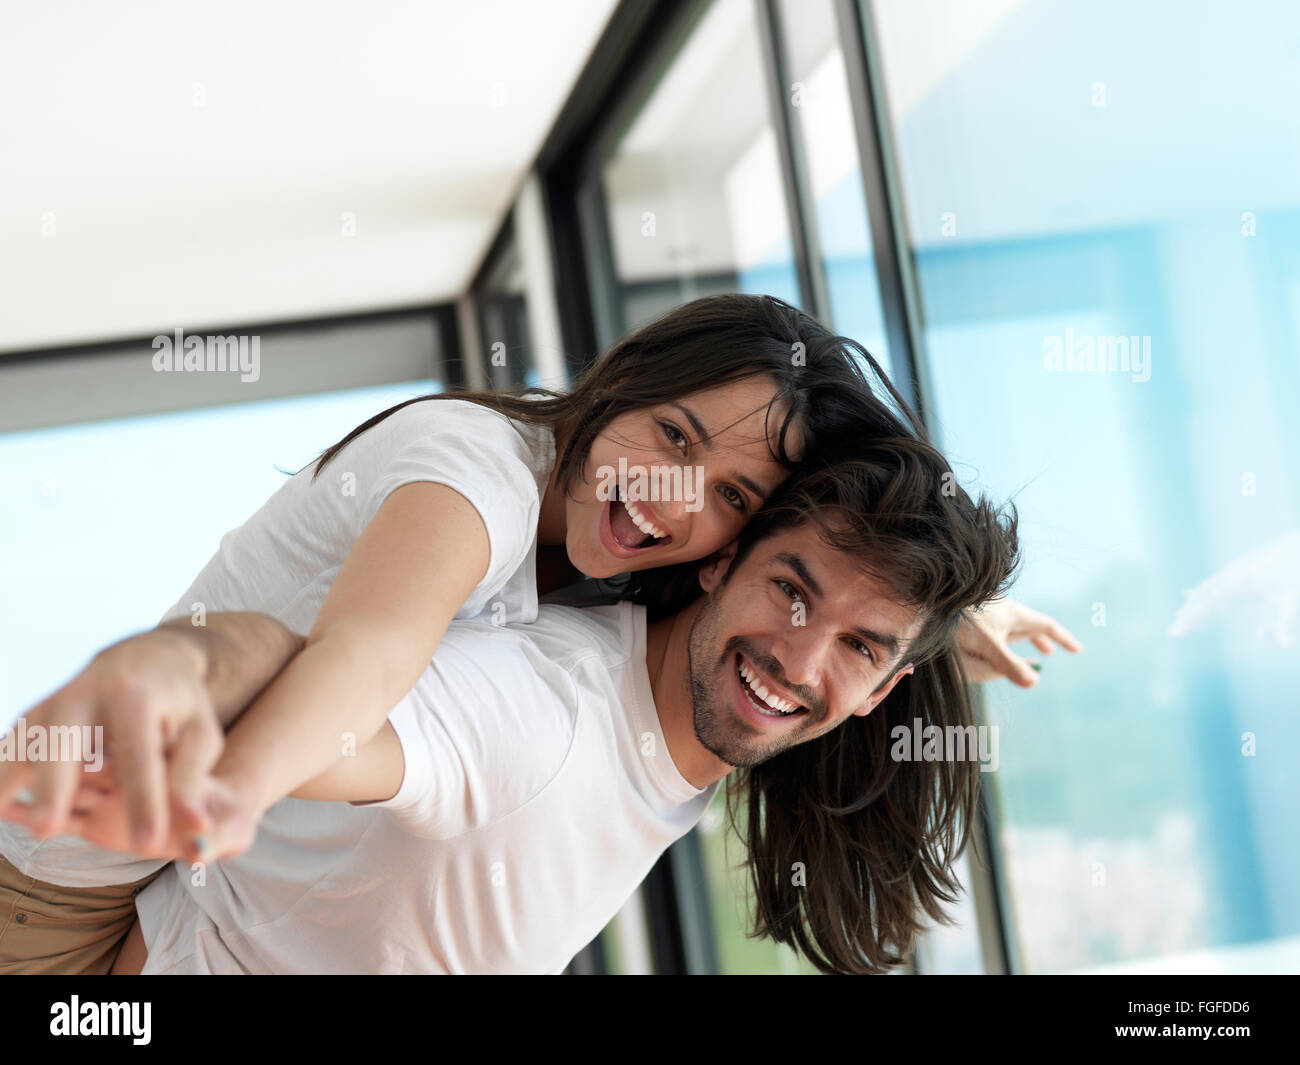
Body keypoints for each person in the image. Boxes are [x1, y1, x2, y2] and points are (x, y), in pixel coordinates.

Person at [8, 436, 1027, 974]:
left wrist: (939, 624)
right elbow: (309, 694)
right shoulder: (539, 710)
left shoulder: (679, 721)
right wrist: (180, 673)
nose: (796, 659)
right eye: (790, 590)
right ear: (717, 565)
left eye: (855, 646)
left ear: (886, 693)